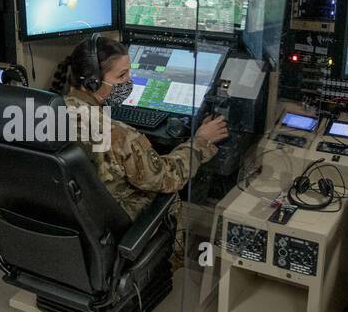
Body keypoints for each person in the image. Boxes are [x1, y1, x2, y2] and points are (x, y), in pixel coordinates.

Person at [51, 35, 229, 217]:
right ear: (92, 82)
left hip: (68, 216)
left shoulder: (45, 113)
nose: (129, 81)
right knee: (171, 197)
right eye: (122, 75)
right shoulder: (119, 135)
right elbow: (167, 178)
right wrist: (201, 141)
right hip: (111, 222)